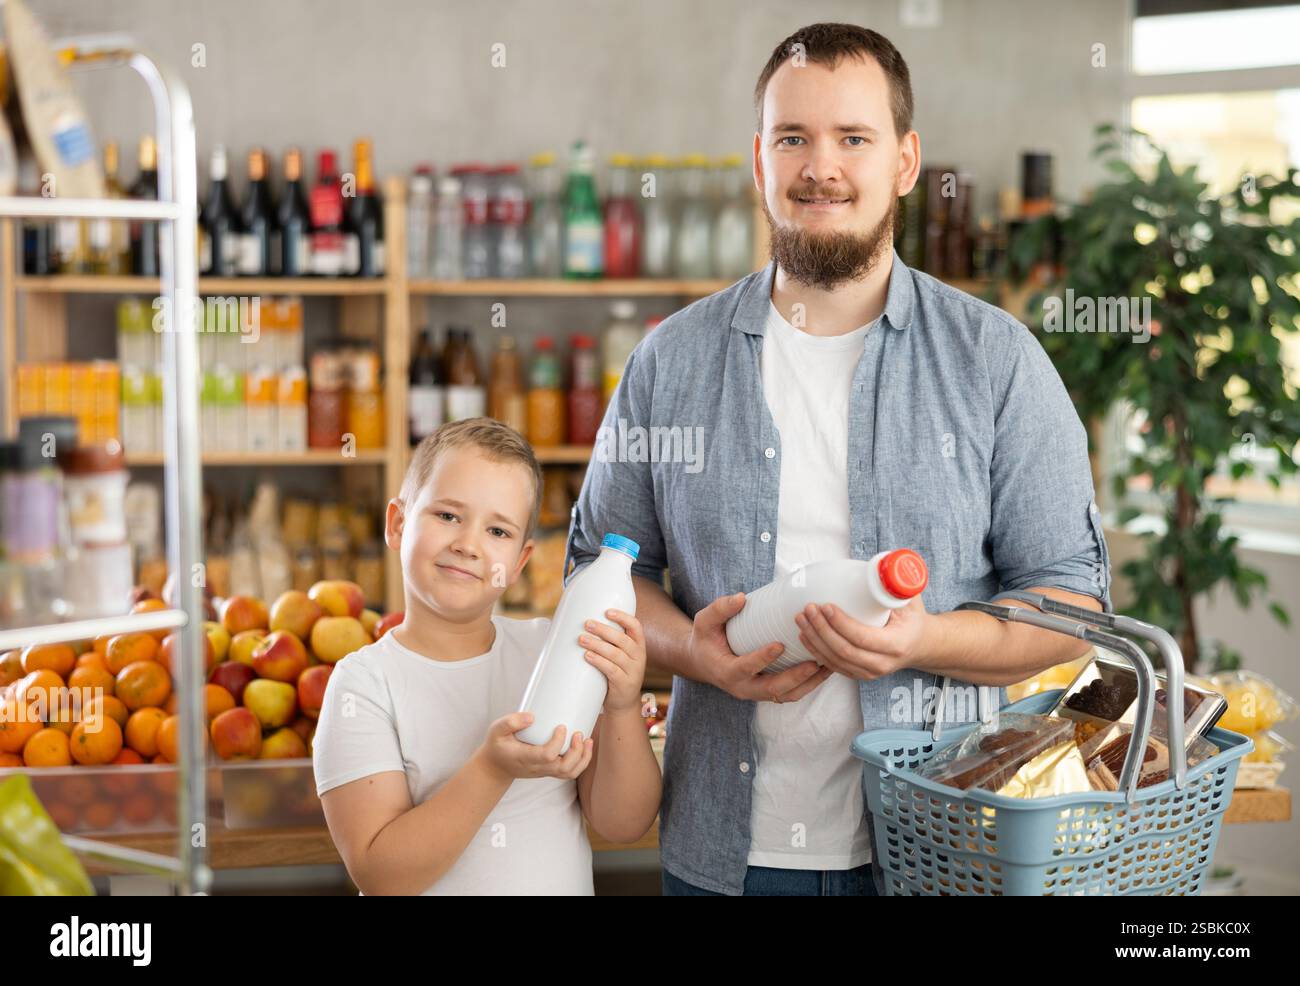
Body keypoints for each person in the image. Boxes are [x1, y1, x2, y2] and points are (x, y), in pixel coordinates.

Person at [564, 22, 1112, 896]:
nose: (821, 167)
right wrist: (696, 653)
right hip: (723, 858)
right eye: (794, 138)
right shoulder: (670, 361)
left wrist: (923, 639)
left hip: (944, 847)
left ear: (903, 160)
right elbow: (601, 565)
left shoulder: (997, 361)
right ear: (759, 160)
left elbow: (1071, 602)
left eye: (853, 138)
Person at [313, 417, 661, 894]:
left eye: (498, 531)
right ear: (397, 524)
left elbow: (624, 823)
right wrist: (493, 769)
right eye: (448, 516)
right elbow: (380, 875)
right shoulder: (364, 684)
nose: (468, 545)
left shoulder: (553, 650)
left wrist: (620, 707)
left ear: (519, 562)